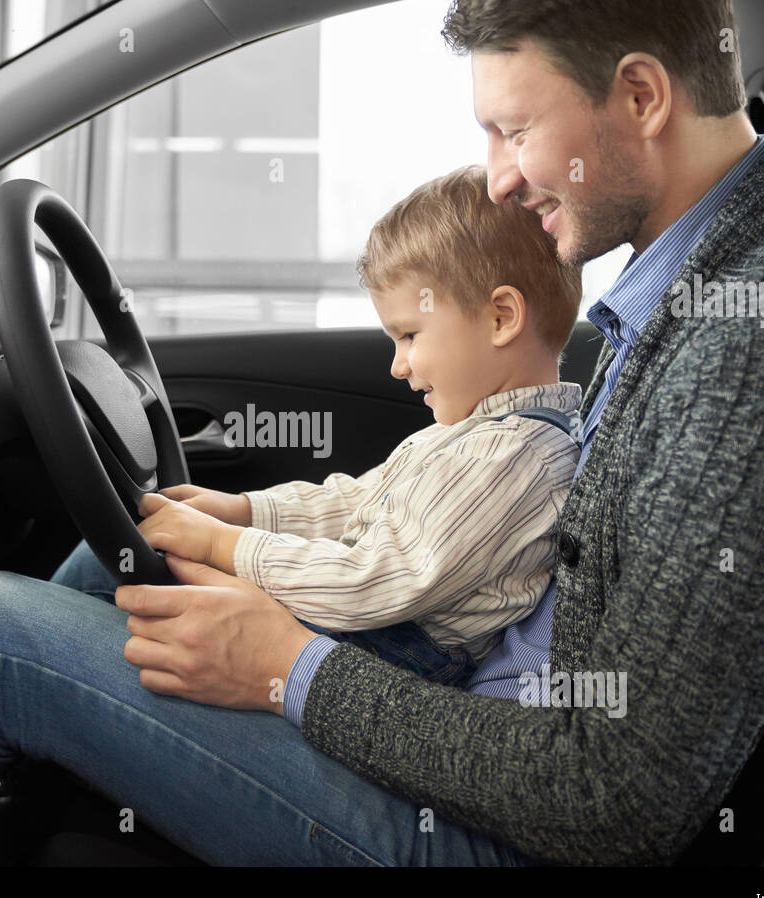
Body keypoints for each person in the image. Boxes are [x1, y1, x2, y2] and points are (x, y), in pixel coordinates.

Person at [0, 0, 764, 865]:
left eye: (515, 130)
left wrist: (289, 669)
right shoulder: (702, 302)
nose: (501, 176)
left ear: (642, 94)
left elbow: (616, 798)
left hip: (495, 840)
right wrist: (252, 546)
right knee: (120, 565)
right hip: (482, 744)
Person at [130, 165, 584, 688]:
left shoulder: (513, 460)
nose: (398, 364)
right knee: (144, 557)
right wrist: (245, 511)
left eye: (410, 335)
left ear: (501, 318)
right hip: (355, 625)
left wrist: (221, 545)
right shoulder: (473, 432)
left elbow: (374, 579)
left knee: (145, 581)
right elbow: (353, 503)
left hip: (382, 651)